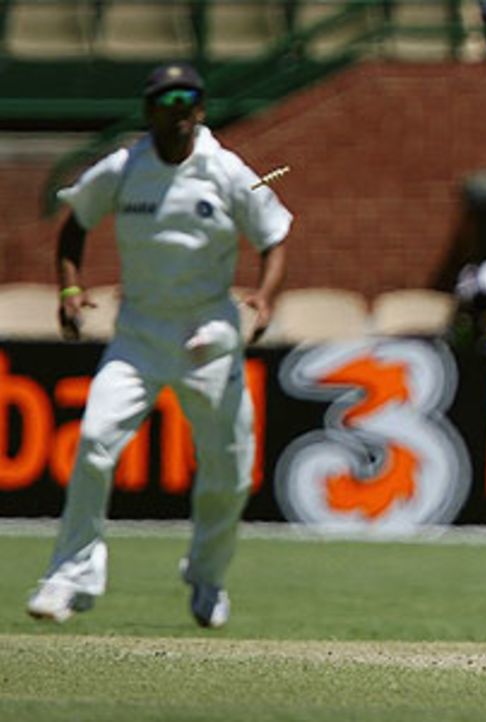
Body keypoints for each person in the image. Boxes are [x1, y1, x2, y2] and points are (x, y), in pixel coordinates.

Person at [26, 62, 291, 628]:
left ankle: (207, 577)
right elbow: (75, 223)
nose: (179, 110)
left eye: (188, 99)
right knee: (93, 442)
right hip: (139, 335)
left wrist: (266, 299)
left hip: (209, 338)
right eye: (167, 100)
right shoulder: (123, 169)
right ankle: (71, 575)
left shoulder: (229, 171)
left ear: (201, 108)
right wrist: (69, 289)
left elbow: (273, 235)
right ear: (150, 110)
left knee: (230, 471)